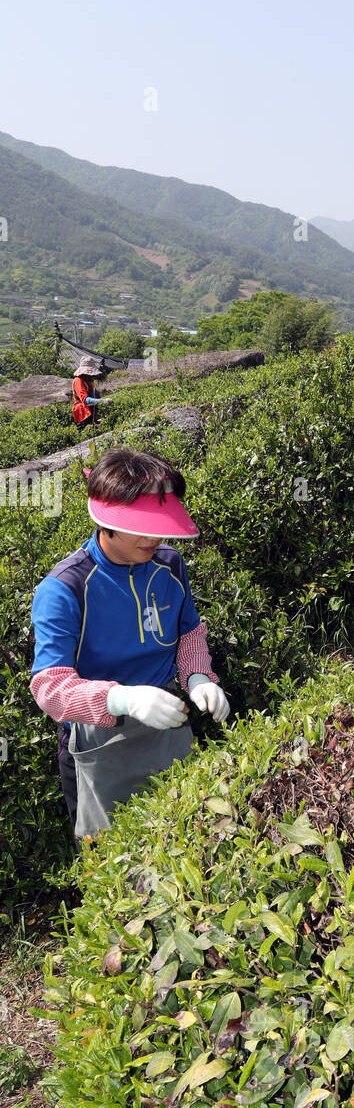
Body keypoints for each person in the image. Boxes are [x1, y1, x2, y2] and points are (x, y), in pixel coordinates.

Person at [29, 448, 230, 844]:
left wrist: (197, 677)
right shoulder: (65, 588)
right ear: (107, 522)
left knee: (183, 834)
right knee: (113, 855)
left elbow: (188, 632)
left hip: (168, 718)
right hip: (99, 741)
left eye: (160, 524)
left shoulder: (169, 564)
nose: (154, 537)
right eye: (142, 525)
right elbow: (49, 688)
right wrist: (122, 699)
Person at [71, 357, 106, 431]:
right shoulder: (78, 381)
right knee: (85, 433)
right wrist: (102, 401)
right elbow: (85, 400)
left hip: (90, 411)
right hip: (83, 413)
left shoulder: (87, 381)